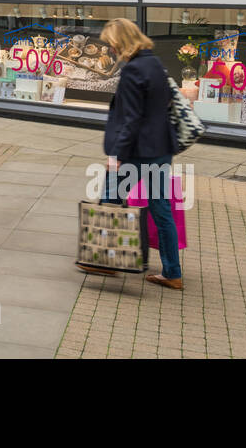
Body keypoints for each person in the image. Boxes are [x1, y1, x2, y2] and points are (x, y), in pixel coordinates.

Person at [94, 17, 182, 290]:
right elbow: (168, 98)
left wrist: (116, 155)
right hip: (161, 148)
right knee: (161, 210)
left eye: (110, 44)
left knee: (110, 198)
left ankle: (107, 261)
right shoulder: (154, 63)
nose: (109, 50)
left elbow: (131, 119)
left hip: (138, 151)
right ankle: (172, 273)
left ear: (120, 43)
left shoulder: (132, 70)